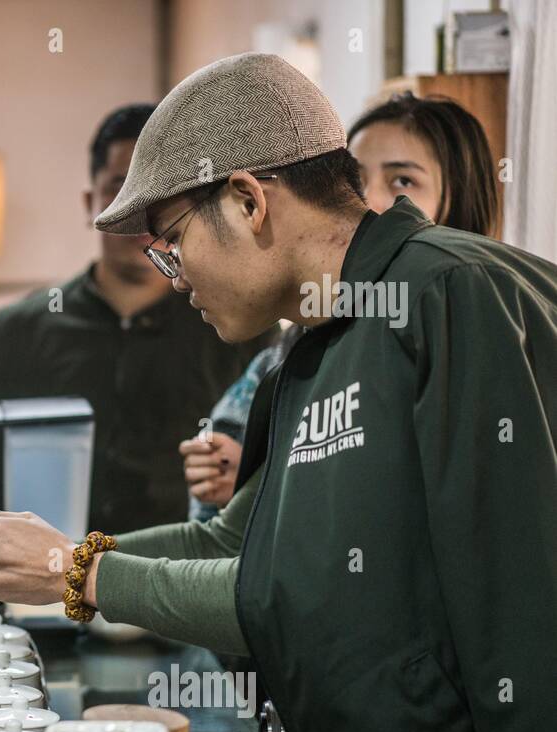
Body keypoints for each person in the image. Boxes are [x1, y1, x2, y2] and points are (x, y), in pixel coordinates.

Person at [0, 53, 557, 732]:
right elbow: (230, 546)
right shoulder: (310, 347)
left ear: (247, 201)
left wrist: (78, 571)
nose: (172, 278)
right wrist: (16, 564)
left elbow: (515, 626)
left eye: (173, 244)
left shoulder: (451, 298)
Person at [179, 91, 501, 519]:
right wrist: (235, 469)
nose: (370, 200)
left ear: (460, 197)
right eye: (355, 180)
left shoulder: (469, 318)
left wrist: (274, 480)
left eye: (403, 181)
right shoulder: (298, 340)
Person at [0, 104, 272, 534]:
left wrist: (242, 471)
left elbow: (280, 467)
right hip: (42, 581)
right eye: (119, 187)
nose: (140, 210)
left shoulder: (240, 324)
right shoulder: (19, 328)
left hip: (184, 574)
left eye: (159, 191)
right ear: (89, 202)